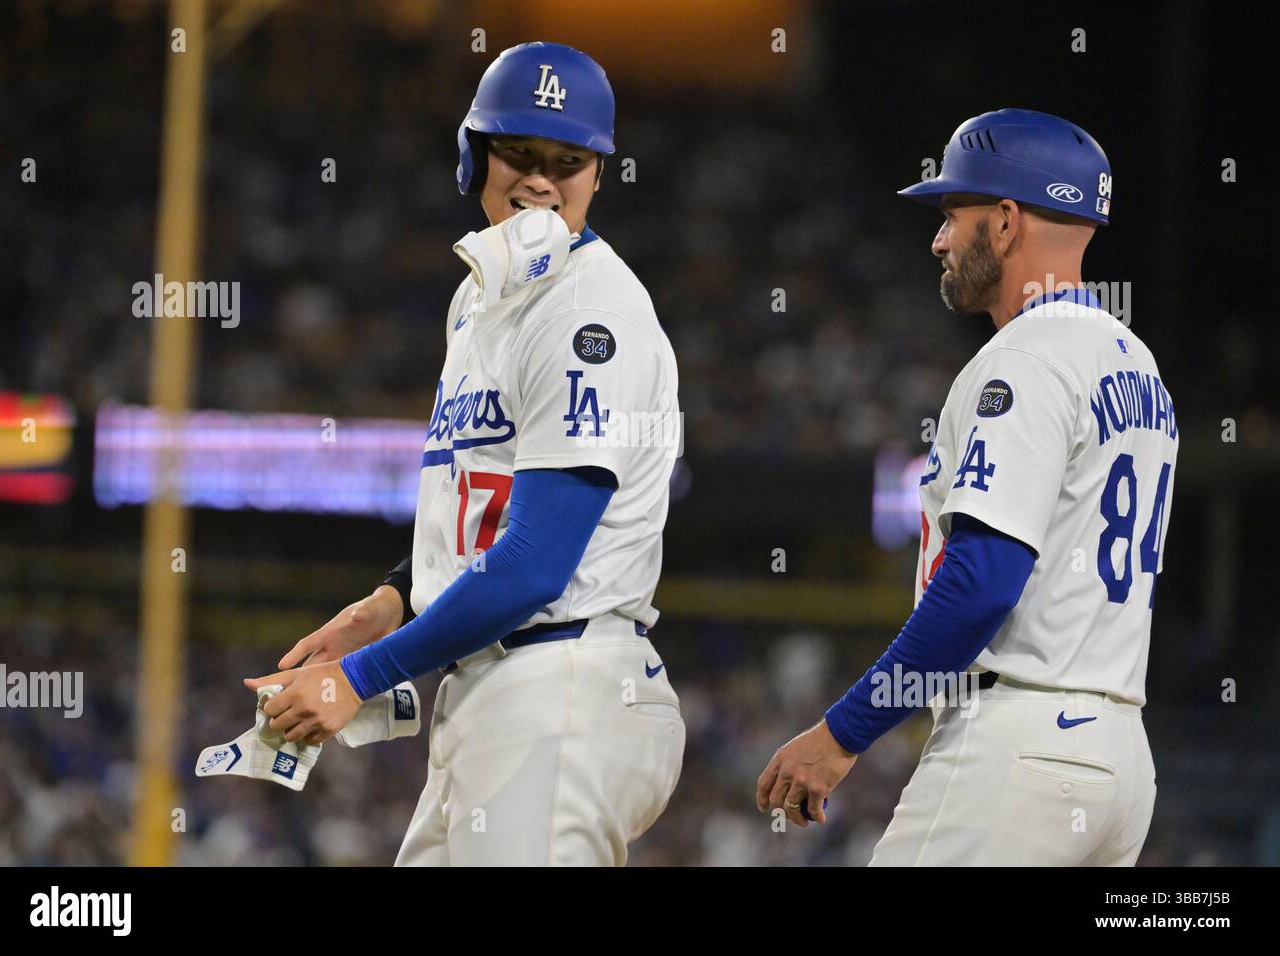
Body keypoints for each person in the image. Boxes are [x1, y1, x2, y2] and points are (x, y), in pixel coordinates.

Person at [247, 41, 685, 866]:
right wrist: (387, 601)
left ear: (598, 173)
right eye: (518, 153)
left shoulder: (590, 312)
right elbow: (483, 505)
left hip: (566, 684)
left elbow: (534, 563)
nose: (542, 181)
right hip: (496, 690)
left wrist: (361, 677)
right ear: (473, 155)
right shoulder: (479, 298)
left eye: (568, 161)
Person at [756, 109, 1176, 866]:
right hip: (1123, 761)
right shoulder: (1139, 367)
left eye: (955, 214)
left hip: (1019, 750)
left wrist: (842, 733)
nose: (939, 239)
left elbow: (982, 583)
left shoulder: (1024, 360)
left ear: (1007, 223)